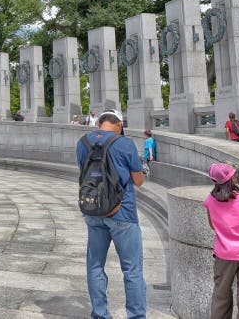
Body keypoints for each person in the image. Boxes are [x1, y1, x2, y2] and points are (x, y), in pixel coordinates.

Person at [76, 108, 146, 319]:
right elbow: (138, 181)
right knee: (132, 270)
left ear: (99, 123)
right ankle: (136, 316)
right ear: (120, 125)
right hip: (122, 213)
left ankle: (100, 314)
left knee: (95, 266)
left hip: (93, 210)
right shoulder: (124, 143)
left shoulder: (82, 143)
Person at [204, 162, 239, 317]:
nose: (238, 175)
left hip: (223, 255)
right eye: (237, 172)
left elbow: (213, 225)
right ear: (232, 179)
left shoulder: (210, 200)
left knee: (220, 295)